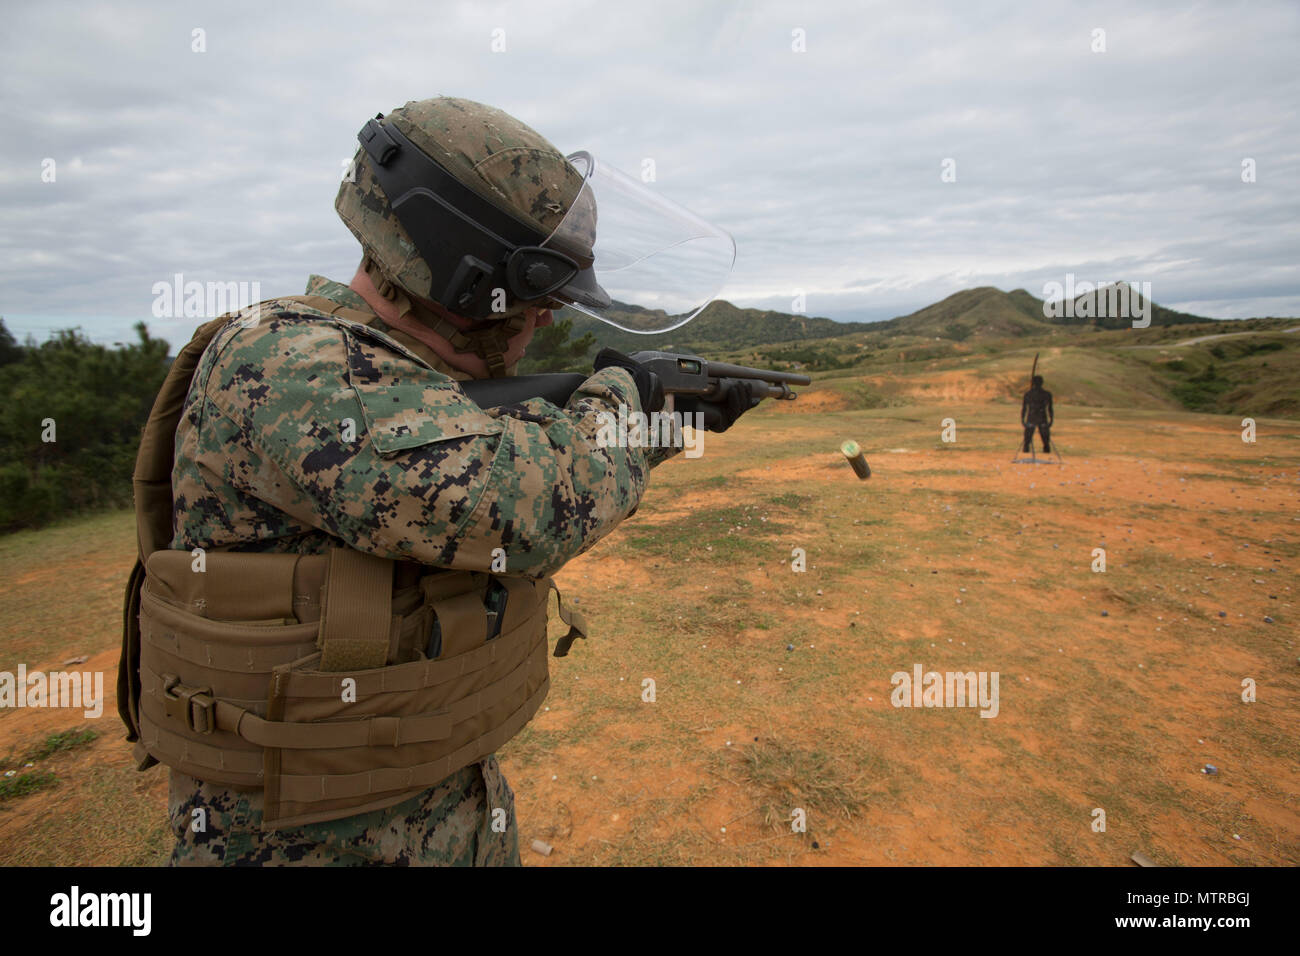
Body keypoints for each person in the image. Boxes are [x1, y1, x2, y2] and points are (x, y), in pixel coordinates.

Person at [118, 97, 754, 866]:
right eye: (537, 299)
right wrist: (628, 398)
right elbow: (518, 510)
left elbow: (503, 456)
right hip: (305, 832)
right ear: (464, 274)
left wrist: (668, 421)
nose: (544, 323)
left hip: (428, 787)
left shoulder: (402, 379)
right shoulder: (293, 362)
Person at [1021, 374, 1054, 454]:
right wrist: (1051, 420)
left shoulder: (1029, 394)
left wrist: (1023, 420)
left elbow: (1024, 409)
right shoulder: (1045, 394)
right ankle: (1027, 451)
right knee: (1028, 441)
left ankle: (1045, 451)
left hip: (1037, 418)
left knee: (1045, 441)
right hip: (1037, 418)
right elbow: (1024, 408)